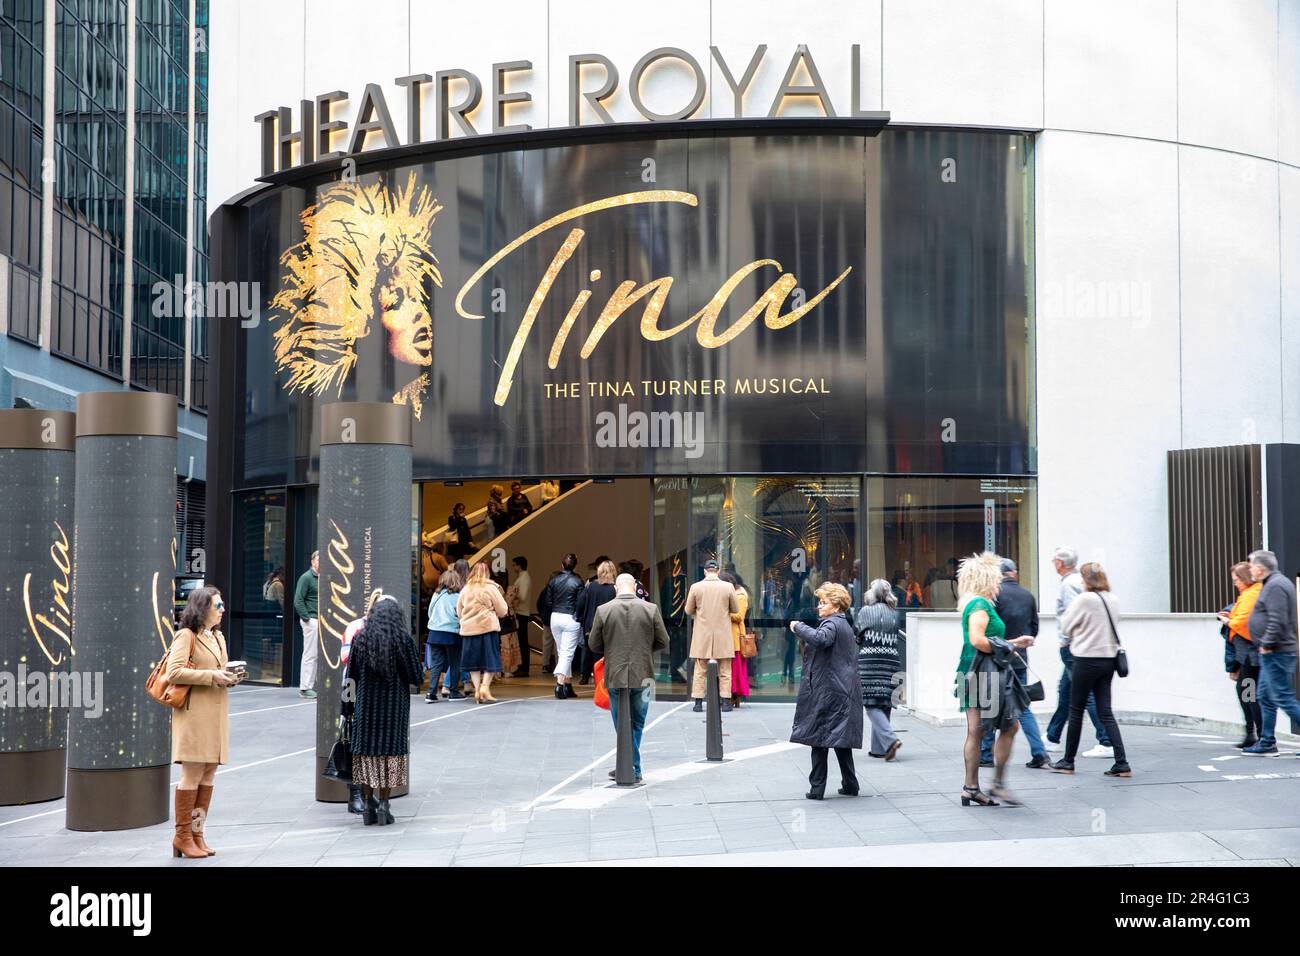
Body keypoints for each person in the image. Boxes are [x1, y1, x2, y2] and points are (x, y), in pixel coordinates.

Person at [955, 552, 1033, 807]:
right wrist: (1009, 646)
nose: (999, 584)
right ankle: (993, 784)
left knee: (977, 731)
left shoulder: (974, 603)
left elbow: (982, 639)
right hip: (983, 673)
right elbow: (978, 640)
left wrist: (1012, 643)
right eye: (996, 580)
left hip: (974, 671)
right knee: (1006, 726)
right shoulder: (980, 605)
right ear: (985, 579)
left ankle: (972, 787)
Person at [166, 586, 237, 858]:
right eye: (217, 606)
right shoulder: (186, 636)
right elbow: (174, 672)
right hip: (194, 714)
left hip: (215, 714)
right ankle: (182, 835)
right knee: (192, 774)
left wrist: (229, 676)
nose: (222, 611)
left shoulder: (218, 637)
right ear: (202, 608)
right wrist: (212, 676)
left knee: (208, 774)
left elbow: (220, 669)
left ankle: (197, 834)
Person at [1050, 562, 1131, 777]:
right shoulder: (1112, 599)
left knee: (1076, 710)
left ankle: (1068, 761)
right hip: (1108, 660)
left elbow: (1066, 625)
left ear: (1085, 580)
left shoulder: (1084, 599)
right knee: (1106, 711)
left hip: (1085, 659)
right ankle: (1122, 762)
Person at [349, 594, 423, 826]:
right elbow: (417, 677)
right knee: (390, 756)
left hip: (366, 707)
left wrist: (346, 709)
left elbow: (350, 679)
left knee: (366, 755)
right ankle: (384, 804)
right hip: (393, 709)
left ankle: (368, 804)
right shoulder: (403, 640)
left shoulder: (360, 640)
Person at [589, 573, 670, 783]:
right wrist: (644, 650)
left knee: (621, 723)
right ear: (634, 586)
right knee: (638, 722)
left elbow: (593, 644)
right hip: (644, 675)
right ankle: (632, 765)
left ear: (616, 588)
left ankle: (631, 765)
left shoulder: (604, 610)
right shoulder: (650, 609)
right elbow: (663, 640)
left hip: (615, 675)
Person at [789, 583, 863, 799]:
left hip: (830, 690)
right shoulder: (843, 624)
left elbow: (821, 640)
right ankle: (850, 784)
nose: (819, 606)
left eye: (823, 602)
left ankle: (817, 788)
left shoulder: (831, 624)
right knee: (840, 739)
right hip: (842, 689)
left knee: (818, 738)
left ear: (836, 604)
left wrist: (798, 627)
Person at [981, 559, 1051, 770]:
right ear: (1014, 573)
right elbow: (1034, 629)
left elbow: (989, 628)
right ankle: (1039, 752)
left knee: (991, 703)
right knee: (1023, 706)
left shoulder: (994, 595)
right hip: (1019, 658)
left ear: (999, 574)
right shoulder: (1028, 595)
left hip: (997, 658)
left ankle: (985, 754)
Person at [1044, 546, 1113, 758]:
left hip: (1074, 648)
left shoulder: (1069, 585)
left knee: (1088, 694)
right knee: (1065, 691)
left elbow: (1073, 615)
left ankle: (1106, 740)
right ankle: (1052, 736)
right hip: (1078, 647)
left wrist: (1066, 641)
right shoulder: (1075, 583)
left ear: (1059, 563)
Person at [1242, 550, 1300, 755]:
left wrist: (1266, 643)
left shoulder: (1276, 586)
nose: (1249, 570)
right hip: (1273, 652)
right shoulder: (1274, 584)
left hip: (1277, 652)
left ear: (1260, 567)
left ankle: (1267, 741)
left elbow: (1277, 619)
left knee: (1283, 698)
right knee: (1265, 696)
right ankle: (1267, 742)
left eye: (1250, 566)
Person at [854, 579, 903, 760]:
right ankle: (879, 749)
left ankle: (890, 740)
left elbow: (857, 636)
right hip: (893, 663)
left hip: (870, 664)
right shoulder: (895, 613)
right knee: (885, 703)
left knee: (871, 703)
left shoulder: (866, 611)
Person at [685, 560, 739, 712]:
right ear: (718, 570)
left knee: (700, 669)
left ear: (704, 571)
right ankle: (726, 702)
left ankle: (698, 702)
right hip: (723, 634)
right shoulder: (727, 587)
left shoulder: (696, 587)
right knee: (725, 670)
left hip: (702, 634)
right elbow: (735, 609)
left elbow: (688, 610)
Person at [1220, 561, 1262, 748]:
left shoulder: (1251, 595)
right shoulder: (1247, 595)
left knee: (1250, 694)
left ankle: (1259, 736)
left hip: (1251, 656)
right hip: (1247, 656)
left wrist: (1228, 621)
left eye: (1237, 579)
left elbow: (1241, 623)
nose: (1235, 583)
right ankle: (1253, 734)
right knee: (1247, 693)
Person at [457, 561, 508, 704]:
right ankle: (485, 687)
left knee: (473, 664)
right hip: (487, 628)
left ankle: (478, 689)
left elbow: (459, 610)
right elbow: (503, 610)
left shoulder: (466, 589)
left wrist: (466, 620)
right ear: (487, 573)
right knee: (490, 660)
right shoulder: (491, 588)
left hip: (469, 630)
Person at [538, 553, 584, 699]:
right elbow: (580, 602)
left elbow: (548, 601)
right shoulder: (578, 581)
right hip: (571, 617)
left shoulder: (554, 580)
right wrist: (577, 616)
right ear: (575, 565)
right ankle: (559, 685)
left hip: (555, 617)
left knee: (562, 651)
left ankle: (568, 685)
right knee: (567, 652)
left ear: (562, 564)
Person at [425, 568, 464, 702]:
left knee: (436, 664)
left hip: (434, 633)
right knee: (455, 663)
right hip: (451, 633)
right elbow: (460, 615)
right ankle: (453, 692)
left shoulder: (436, 595)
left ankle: (431, 693)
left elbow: (430, 613)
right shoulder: (457, 597)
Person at [576, 560, 617, 686]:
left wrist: (580, 618)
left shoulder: (591, 587)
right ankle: (606, 683)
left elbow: (580, 604)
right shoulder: (615, 589)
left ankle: (587, 676)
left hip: (590, 627)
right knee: (608, 657)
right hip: (609, 629)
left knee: (589, 653)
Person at [720, 571, 751, 707]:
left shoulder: (741, 596)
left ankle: (734, 696)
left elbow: (739, 616)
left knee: (735, 670)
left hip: (736, 638)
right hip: (728, 637)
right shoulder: (733, 594)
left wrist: (723, 611)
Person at [293, 551, 320, 698]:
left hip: (322, 622)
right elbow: (298, 600)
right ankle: (305, 688)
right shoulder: (306, 577)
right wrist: (307, 618)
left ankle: (312, 685)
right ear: (312, 561)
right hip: (312, 621)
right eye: (318, 559)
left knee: (317, 655)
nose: (321, 562)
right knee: (311, 654)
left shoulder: (324, 578)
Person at [508, 556, 533, 676]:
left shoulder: (524, 578)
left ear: (519, 565)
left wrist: (512, 596)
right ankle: (522, 666)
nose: (513, 567)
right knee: (522, 640)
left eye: (514, 565)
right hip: (521, 612)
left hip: (522, 612)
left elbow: (521, 596)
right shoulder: (523, 578)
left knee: (523, 641)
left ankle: (524, 668)